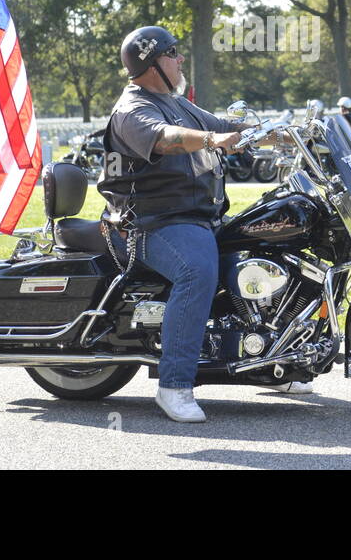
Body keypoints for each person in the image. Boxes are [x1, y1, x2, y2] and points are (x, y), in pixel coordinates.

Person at [97, 25, 301, 424]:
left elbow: (227, 129)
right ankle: (174, 385)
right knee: (197, 272)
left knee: (265, 257)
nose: (180, 59)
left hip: (198, 218)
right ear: (152, 62)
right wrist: (210, 139)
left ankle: (278, 362)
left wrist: (283, 134)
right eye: (173, 53)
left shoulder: (177, 103)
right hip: (153, 224)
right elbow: (165, 138)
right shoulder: (133, 109)